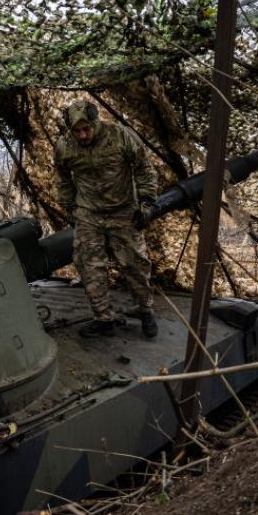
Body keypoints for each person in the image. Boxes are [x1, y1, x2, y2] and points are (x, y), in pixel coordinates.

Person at [54, 100, 159, 338]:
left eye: (86, 129)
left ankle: (145, 310)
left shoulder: (120, 135)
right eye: (77, 131)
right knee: (89, 266)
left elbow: (144, 167)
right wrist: (70, 207)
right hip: (88, 213)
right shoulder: (65, 146)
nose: (82, 135)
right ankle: (103, 318)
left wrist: (147, 202)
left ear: (95, 123)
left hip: (123, 210)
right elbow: (62, 178)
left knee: (134, 263)